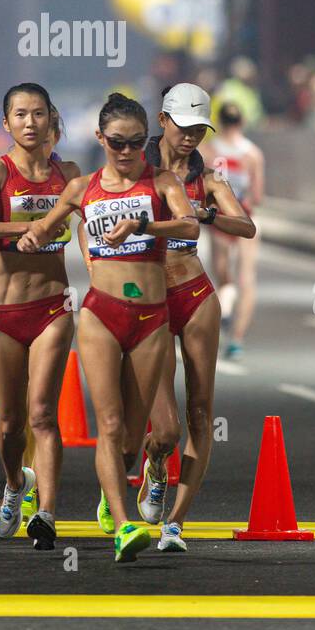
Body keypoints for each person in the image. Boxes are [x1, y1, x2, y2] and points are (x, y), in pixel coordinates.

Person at [19, 92, 198, 564]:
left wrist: (145, 226)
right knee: (111, 425)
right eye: (117, 142)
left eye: (137, 142)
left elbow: (190, 227)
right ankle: (123, 527)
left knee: (133, 441)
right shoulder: (83, 189)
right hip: (102, 314)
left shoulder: (161, 183)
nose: (127, 151)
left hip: (151, 319)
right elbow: (45, 227)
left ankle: (114, 486)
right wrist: (27, 236)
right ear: (100, 138)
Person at [0, 85, 79, 549]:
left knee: (43, 414)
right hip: (4, 312)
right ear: (6, 123)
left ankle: (46, 513)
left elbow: (106, 201)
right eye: (21, 115)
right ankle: (15, 484)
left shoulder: (69, 175)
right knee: (10, 425)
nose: (30, 122)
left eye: (39, 113)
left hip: (52, 308)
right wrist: (25, 228)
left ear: (51, 119)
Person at [138, 84, 255, 551]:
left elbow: (246, 226)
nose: (190, 137)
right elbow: (91, 208)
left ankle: (176, 523)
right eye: (183, 127)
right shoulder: (137, 172)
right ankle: (155, 467)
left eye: (199, 129)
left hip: (195, 293)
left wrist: (206, 215)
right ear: (163, 121)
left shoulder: (208, 178)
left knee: (202, 413)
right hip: (149, 298)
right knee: (165, 428)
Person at [208, 102, 264, 361]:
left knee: (222, 273)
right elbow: (258, 196)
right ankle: (237, 340)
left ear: (219, 122)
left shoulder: (208, 151)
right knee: (247, 279)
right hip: (245, 219)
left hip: (220, 219)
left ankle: (226, 305)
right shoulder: (253, 154)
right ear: (242, 122)